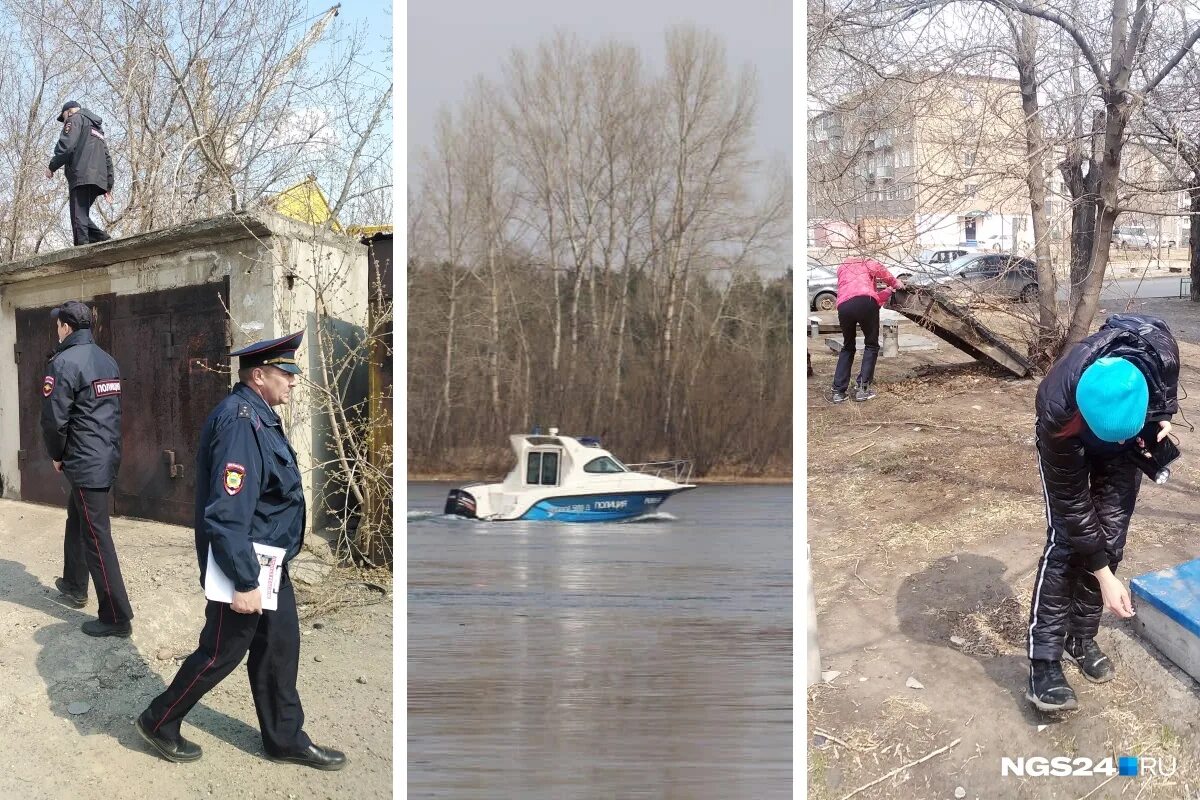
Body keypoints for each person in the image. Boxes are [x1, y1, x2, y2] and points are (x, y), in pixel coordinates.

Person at [135, 331, 346, 770]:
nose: (293, 381)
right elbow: (227, 512)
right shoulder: (240, 422)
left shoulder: (260, 416)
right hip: (245, 565)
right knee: (221, 651)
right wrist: (245, 581)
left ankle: (284, 738)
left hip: (269, 562)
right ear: (259, 375)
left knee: (279, 647)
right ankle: (159, 720)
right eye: (286, 373)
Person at [1026, 314, 1179, 711]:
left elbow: (1167, 387)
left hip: (1125, 438)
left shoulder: (1159, 355)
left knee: (1111, 538)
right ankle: (1043, 662)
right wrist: (1104, 576)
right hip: (1072, 440)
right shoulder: (1057, 409)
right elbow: (1074, 508)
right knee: (1066, 544)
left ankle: (1081, 637)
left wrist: (1162, 416)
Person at [40, 300, 134, 637]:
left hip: (84, 461)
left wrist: (57, 454)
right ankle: (74, 584)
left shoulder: (63, 362)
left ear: (66, 327)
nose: (57, 329)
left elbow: (54, 420)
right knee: (77, 518)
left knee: (97, 537)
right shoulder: (107, 360)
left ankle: (116, 617)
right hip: (104, 456)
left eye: (58, 324)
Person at [830, 256, 904, 403]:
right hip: (866, 302)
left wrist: (888, 291)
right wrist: (896, 284)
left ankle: (838, 391)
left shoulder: (842, 267)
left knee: (848, 346)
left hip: (844, 306)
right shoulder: (866, 262)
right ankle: (862, 389)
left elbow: (865, 296)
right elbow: (880, 277)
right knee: (871, 345)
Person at [46, 100, 114, 246]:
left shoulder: (74, 119)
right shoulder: (98, 128)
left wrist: (52, 166)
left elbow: (67, 146)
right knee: (81, 215)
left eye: (64, 117)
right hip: (99, 179)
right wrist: (108, 184)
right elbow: (107, 157)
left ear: (69, 112)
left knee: (78, 218)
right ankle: (104, 239)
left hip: (81, 175)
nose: (64, 122)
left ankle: (82, 251)